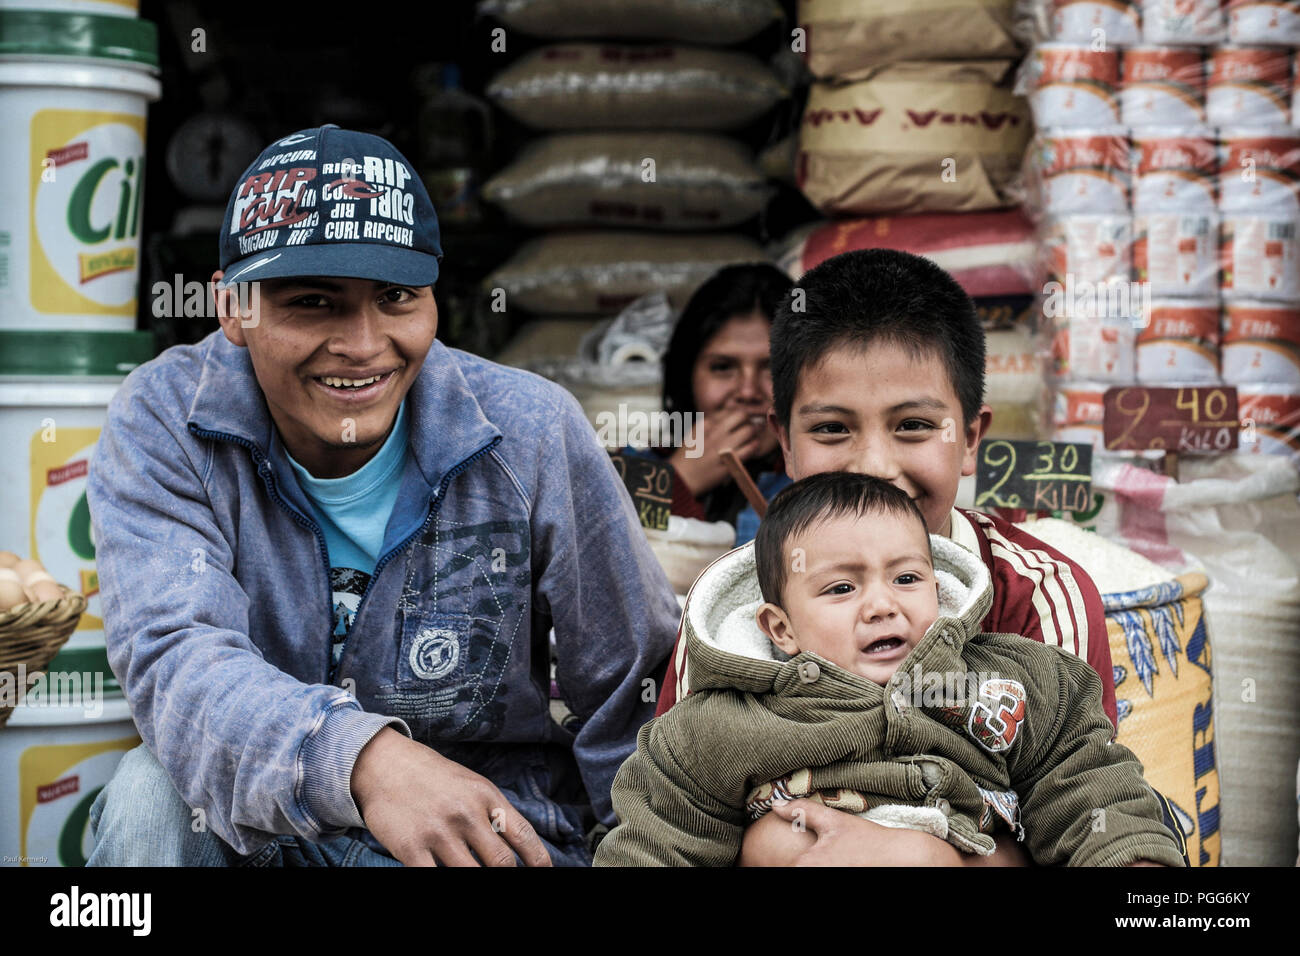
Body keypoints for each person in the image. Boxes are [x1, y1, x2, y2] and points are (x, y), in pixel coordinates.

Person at [84, 125, 680, 867]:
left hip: (486, 834)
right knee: (149, 796)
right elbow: (175, 657)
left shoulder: (530, 430)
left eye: (396, 297)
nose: (364, 345)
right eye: (313, 301)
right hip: (264, 830)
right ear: (233, 308)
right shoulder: (169, 419)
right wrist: (361, 759)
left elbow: (634, 691)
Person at [653, 248, 1189, 866]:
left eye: (912, 425)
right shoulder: (732, 616)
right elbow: (675, 816)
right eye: (831, 429)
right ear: (786, 444)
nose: (875, 466)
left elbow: (1085, 804)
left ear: (970, 438)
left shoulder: (1038, 596)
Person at [594, 473, 1185, 867]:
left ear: (939, 585)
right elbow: (658, 837)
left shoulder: (1009, 682)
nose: (883, 604)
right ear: (781, 628)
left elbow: (1086, 784)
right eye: (842, 587)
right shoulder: (720, 725)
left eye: (906, 578)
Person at [650, 263, 792, 529]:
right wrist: (677, 481)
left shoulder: (829, 485)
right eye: (723, 367)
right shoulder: (632, 472)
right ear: (686, 377)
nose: (748, 392)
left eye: (772, 369)